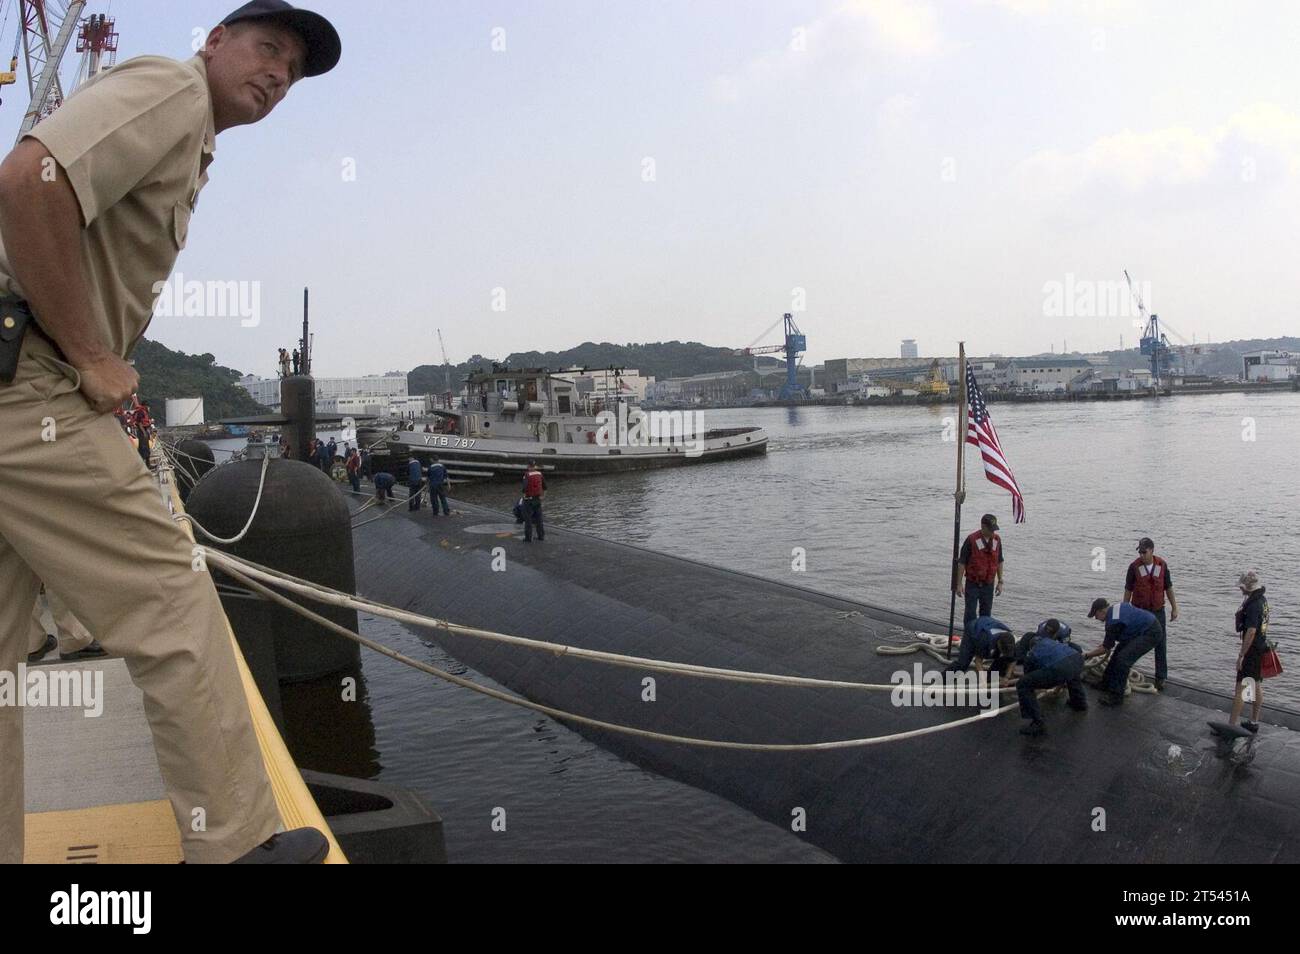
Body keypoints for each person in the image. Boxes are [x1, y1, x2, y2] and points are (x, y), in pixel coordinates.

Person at [0, 0, 341, 864]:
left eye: (292, 73)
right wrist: (89, 354)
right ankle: (235, 845)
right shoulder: (171, 91)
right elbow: (26, 182)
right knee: (173, 601)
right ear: (215, 41)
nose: (277, 75)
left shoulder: (192, 136)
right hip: (30, 388)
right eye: (268, 49)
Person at [1124, 537, 1179, 690]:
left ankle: (1161, 677)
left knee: (1161, 643)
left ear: (1152, 551)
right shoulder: (1134, 567)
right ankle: (1124, 670)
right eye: (1140, 552)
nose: (1141, 555)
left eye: (1144, 552)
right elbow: (1128, 589)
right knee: (1132, 642)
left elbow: (1168, 587)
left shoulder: (1162, 565)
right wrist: (1125, 609)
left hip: (1157, 611)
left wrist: (1174, 607)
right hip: (1139, 611)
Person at [1083, 598, 1162, 706]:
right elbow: (1109, 643)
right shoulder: (1115, 609)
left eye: (1095, 615)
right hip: (1141, 628)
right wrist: (1106, 644)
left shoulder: (1113, 623)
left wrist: (1087, 655)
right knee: (1117, 654)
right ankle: (1106, 683)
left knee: (1123, 660)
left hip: (1150, 632)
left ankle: (1116, 696)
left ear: (1102, 611)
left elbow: (1106, 649)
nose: (1096, 618)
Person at [1014, 626, 1087, 736]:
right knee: (1072, 673)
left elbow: (1029, 675)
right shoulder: (1050, 641)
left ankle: (1038, 723)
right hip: (1077, 658)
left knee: (1023, 684)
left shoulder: (1032, 652)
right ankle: (1079, 703)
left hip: (1061, 668)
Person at [1230, 570, 1269, 731]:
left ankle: (1231, 726)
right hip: (1261, 647)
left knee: (1241, 687)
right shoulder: (1263, 600)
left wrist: (1241, 655)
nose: (1241, 590)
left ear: (1248, 587)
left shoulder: (1253, 605)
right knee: (1256, 684)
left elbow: (1251, 631)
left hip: (1251, 651)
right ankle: (1254, 721)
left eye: (1242, 587)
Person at [955, 513, 1004, 625]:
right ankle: (969, 636)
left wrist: (1000, 581)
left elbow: (1000, 560)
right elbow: (962, 562)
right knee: (970, 613)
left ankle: (982, 637)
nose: (993, 532)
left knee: (986, 614)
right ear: (983, 527)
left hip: (988, 584)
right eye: (991, 529)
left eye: (994, 529)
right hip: (973, 584)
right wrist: (959, 584)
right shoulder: (971, 539)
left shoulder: (997, 540)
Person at [946, 615, 1015, 675]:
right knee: (963, 664)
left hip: (988, 625)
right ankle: (943, 679)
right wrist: (982, 679)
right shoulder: (984, 640)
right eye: (1002, 651)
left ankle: (993, 676)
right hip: (973, 630)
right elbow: (978, 661)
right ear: (999, 644)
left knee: (1004, 658)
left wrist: (1007, 676)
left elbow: (1013, 659)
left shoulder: (1010, 638)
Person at [521, 459, 546, 542]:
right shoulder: (540, 474)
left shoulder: (527, 475)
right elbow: (545, 486)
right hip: (538, 499)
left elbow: (524, 487)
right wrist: (543, 496)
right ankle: (541, 536)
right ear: (535, 466)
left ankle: (528, 538)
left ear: (528, 466)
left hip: (529, 500)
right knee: (539, 519)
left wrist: (524, 495)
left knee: (528, 519)